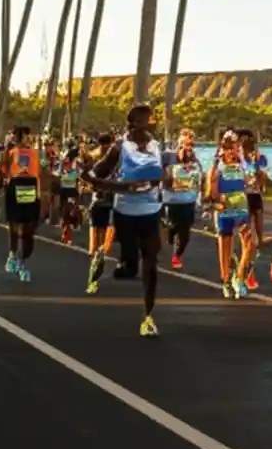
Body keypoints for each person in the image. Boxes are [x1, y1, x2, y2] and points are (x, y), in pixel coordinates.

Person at [89, 105, 164, 337]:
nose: (153, 124)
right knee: (132, 266)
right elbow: (99, 173)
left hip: (152, 210)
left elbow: (164, 173)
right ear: (135, 124)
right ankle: (107, 257)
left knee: (151, 261)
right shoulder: (121, 147)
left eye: (153, 120)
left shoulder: (157, 146)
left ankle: (148, 317)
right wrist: (91, 176)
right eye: (149, 120)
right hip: (125, 212)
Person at [207, 131, 253, 299]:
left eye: (236, 148)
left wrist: (254, 180)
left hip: (241, 207)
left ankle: (239, 276)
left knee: (249, 241)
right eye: (230, 149)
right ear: (223, 149)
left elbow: (249, 182)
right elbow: (212, 189)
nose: (233, 152)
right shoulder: (218, 166)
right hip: (225, 209)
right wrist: (218, 200)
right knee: (225, 245)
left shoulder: (242, 164)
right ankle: (226, 279)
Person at [1, 127, 44, 281]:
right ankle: (12, 254)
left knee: (28, 230)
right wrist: (6, 149)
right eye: (22, 136)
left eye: (27, 136)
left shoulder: (35, 153)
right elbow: (3, 169)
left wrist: (39, 196)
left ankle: (22, 261)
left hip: (31, 187)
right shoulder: (11, 151)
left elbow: (39, 174)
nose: (26, 139)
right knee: (14, 224)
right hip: (15, 185)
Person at [85, 133, 116, 295]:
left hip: (104, 205)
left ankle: (93, 278)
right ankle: (93, 278)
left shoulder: (100, 163)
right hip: (103, 205)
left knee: (98, 248)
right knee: (98, 248)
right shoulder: (99, 164)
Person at [163, 142, 202, 270]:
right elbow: (166, 183)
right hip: (174, 202)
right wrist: (176, 179)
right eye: (185, 150)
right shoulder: (172, 167)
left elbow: (200, 183)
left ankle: (177, 255)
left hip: (189, 203)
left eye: (190, 151)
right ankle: (171, 231)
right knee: (175, 226)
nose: (188, 153)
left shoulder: (196, 167)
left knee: (185, 233)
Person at [239, 129, 268, 291]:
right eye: (244, 141)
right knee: (247, 239)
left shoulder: (257, 158)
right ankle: (246, 274)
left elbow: (262, 175)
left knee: (259, 239)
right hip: (244, 198)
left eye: (250, 141)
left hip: (255, 196)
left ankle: (249, 270)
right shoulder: (237, 159)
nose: (248, 144)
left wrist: (257, 169)